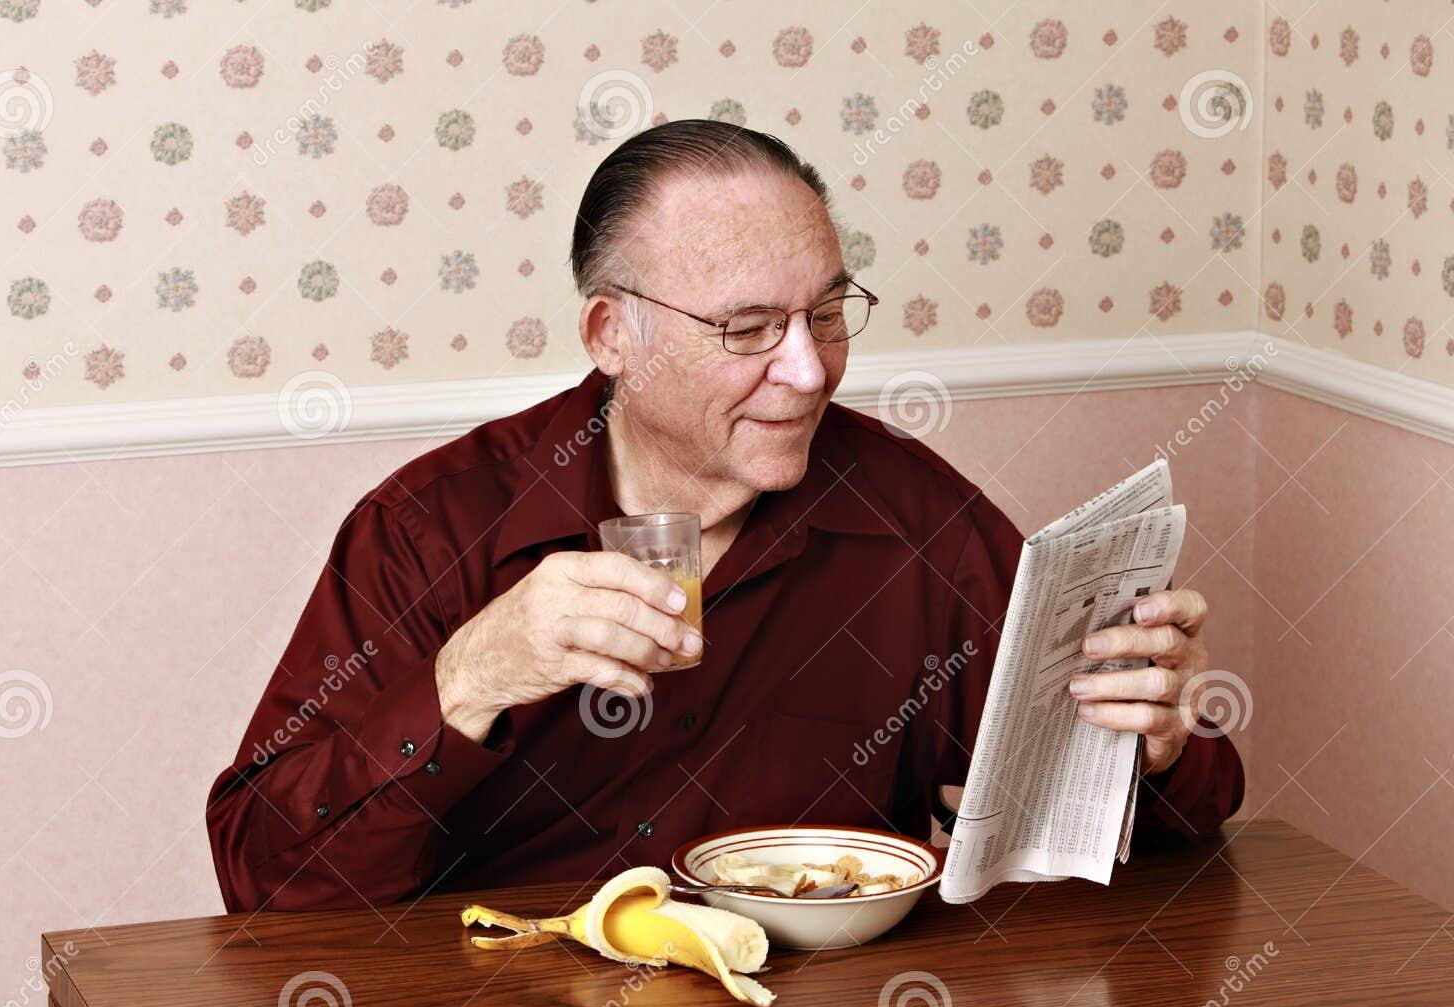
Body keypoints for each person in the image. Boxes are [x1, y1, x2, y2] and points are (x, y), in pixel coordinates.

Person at [207, 120, 1243, 912]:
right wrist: (470, 677)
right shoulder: (432, 528)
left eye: (827, 314)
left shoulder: (916, 520)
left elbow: (1118, 834)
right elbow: (264, 877)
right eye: (748, 327)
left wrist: (1152, 743)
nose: (807, 370)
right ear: (612, 334)